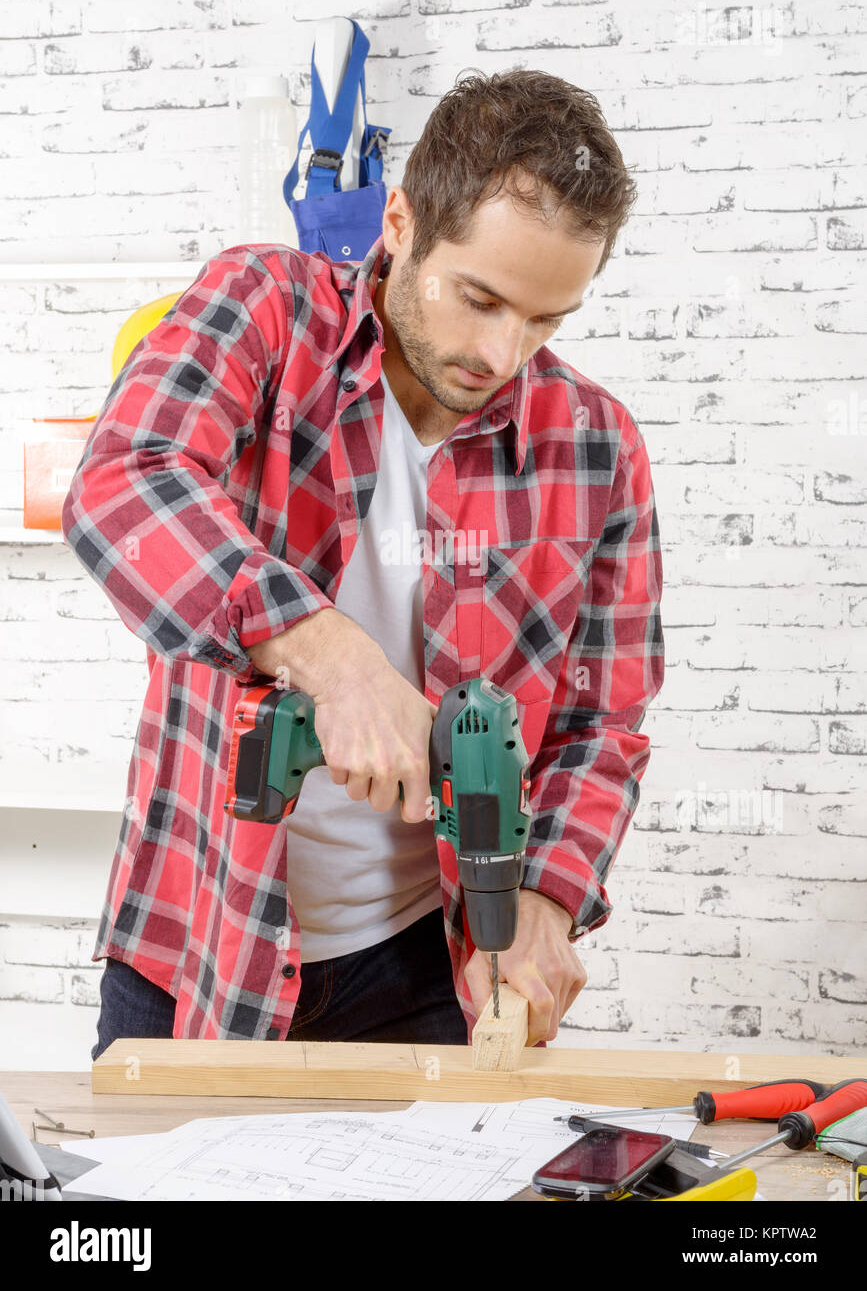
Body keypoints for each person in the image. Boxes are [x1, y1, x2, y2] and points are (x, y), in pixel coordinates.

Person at [61, 67, 665, 1061]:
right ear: (399, 222)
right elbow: (123, 482)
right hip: (202, 936)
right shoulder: (262, 309)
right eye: (479, 297)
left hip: (429, 970)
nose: (503, 351)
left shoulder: (597, 446)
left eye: (547, 320)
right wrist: (333, 658)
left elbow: (605, 720)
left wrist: (551, 897)